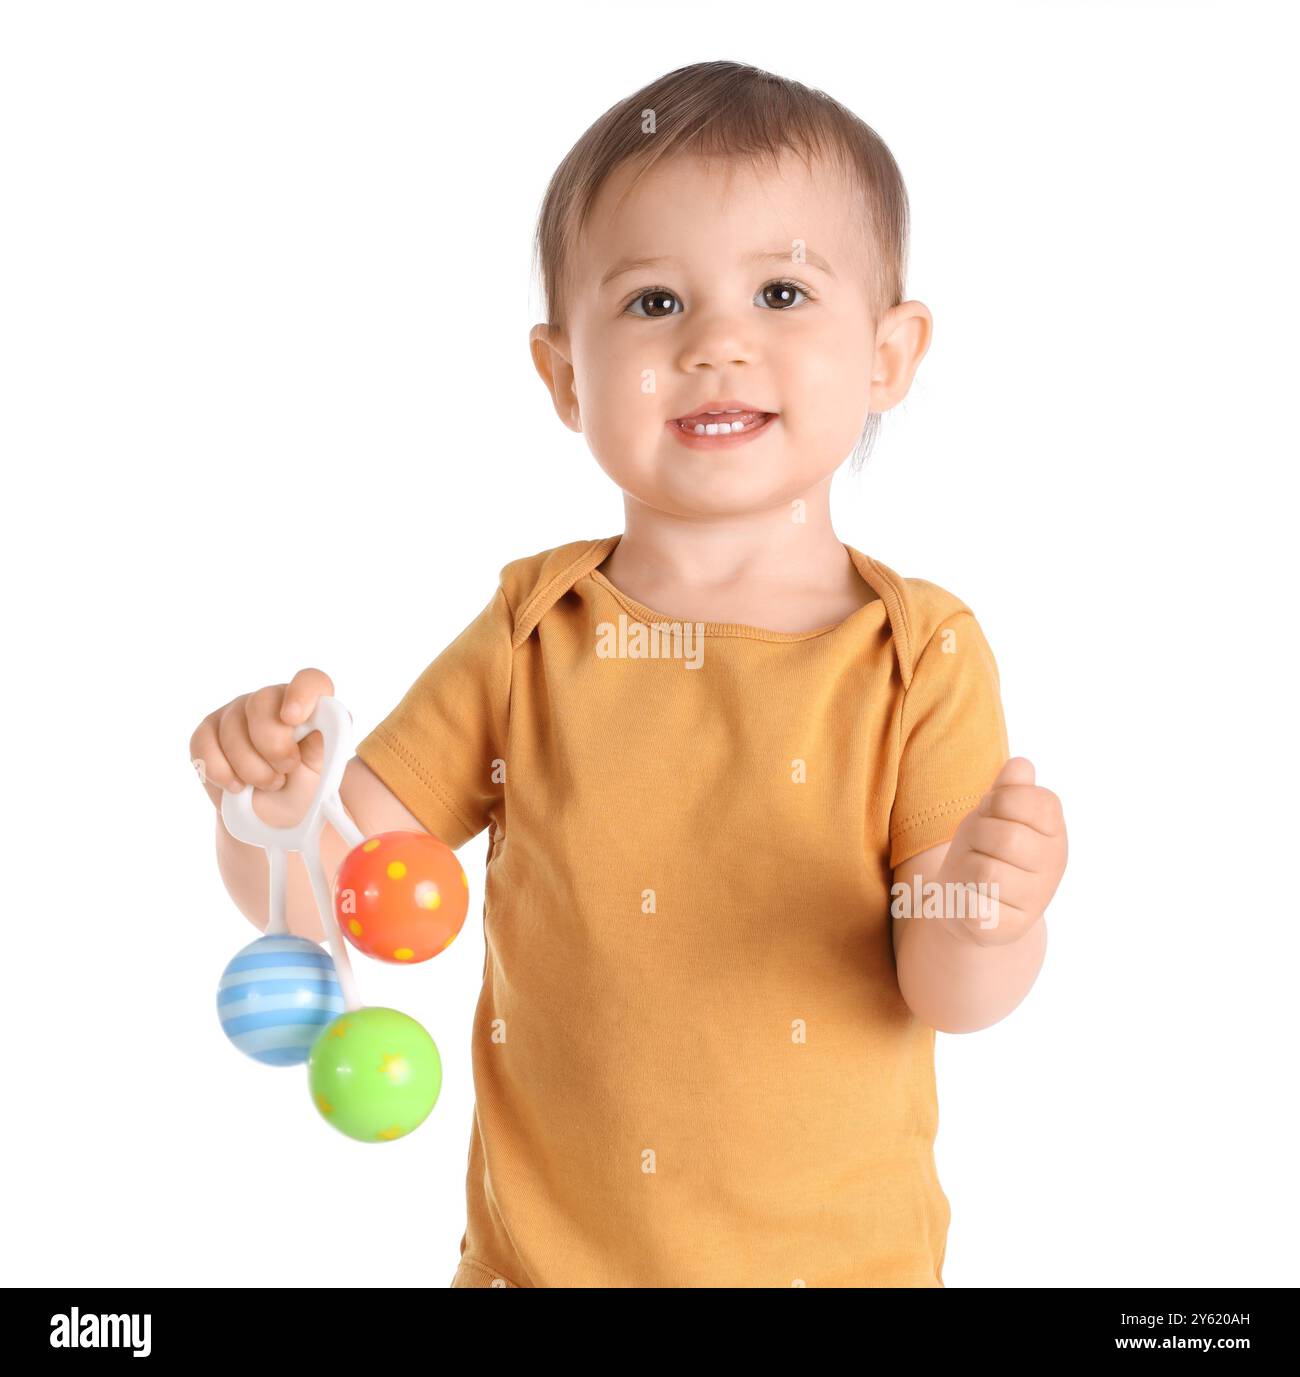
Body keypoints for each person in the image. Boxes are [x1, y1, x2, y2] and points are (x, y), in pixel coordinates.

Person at [189, 60, 1068, 1288]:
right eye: (655, 304)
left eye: (780, 291)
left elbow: (950, 991)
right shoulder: (531, 630)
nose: (716, 343)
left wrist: (987, 913)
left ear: (887, 353)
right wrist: (275, 815)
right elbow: (340, 895)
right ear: (562, 374)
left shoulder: (918, 653)